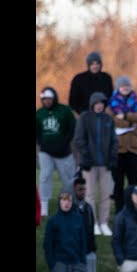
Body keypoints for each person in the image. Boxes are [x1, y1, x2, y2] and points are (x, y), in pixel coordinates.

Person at [73, 92, 118, 236]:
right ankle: (93, 223)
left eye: (102, 103)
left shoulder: (108, 119)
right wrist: (86, 157)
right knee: (90, 195)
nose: (99, 106)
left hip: (105, 164)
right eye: (97, 103)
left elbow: (114, 141)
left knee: (106, 194)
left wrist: (112, 158)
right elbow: (79, 139)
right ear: (92, 104)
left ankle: (104, 223)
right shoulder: (84, 118)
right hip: (89, 164)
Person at [43, 192, 91, 272]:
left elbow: (83, 241)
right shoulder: (53, 221)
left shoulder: (78, 219)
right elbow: (48, 244)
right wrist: (53, 265)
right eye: (63, 200)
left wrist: (82, 261)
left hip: (77, 264)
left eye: (69, 200)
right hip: (60, 265)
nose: (66, 203)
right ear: (59, 202)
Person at [36, 86, 77, 217]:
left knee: (68, 179)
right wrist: (41, 142)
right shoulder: (39, 113)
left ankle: (70, 203)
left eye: (49, 99)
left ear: (54, 98)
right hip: (45, 152)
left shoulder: (64, 111)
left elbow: (72, 128)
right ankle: (44, 206)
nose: (47, 101)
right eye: (44, 99)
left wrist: (64, 143)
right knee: (45, 176)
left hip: (63, 152)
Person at [110, 75, 137, 217]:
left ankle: (133, 211)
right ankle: (119, 212)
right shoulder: (111, 103)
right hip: (118, 151)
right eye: (123, 85)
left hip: (134, 150)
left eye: (127, 85)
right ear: (118, 87)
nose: (125, 87)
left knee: (134, 184)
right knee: (117, 185)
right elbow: (114, 121)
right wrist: (132, 121)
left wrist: (124, 116)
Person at [71, 177, 98, 272]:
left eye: (84, 189)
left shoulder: (88, 208)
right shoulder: (70, 208)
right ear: (74, 190)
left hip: (89, 251)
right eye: (79, 189)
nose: (82, 192)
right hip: (75, 254)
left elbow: (90, 230)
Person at [67, 51, 113, 121]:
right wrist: (82, 114)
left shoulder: (106, 78)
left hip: (103, 116)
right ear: (88, 65)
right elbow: (72, 101)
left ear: (101, 64)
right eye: (92, 64)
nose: (95, 66)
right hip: (84, 116)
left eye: (97, 63)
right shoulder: (79, 79)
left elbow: (110, 96)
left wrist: (105, 111)